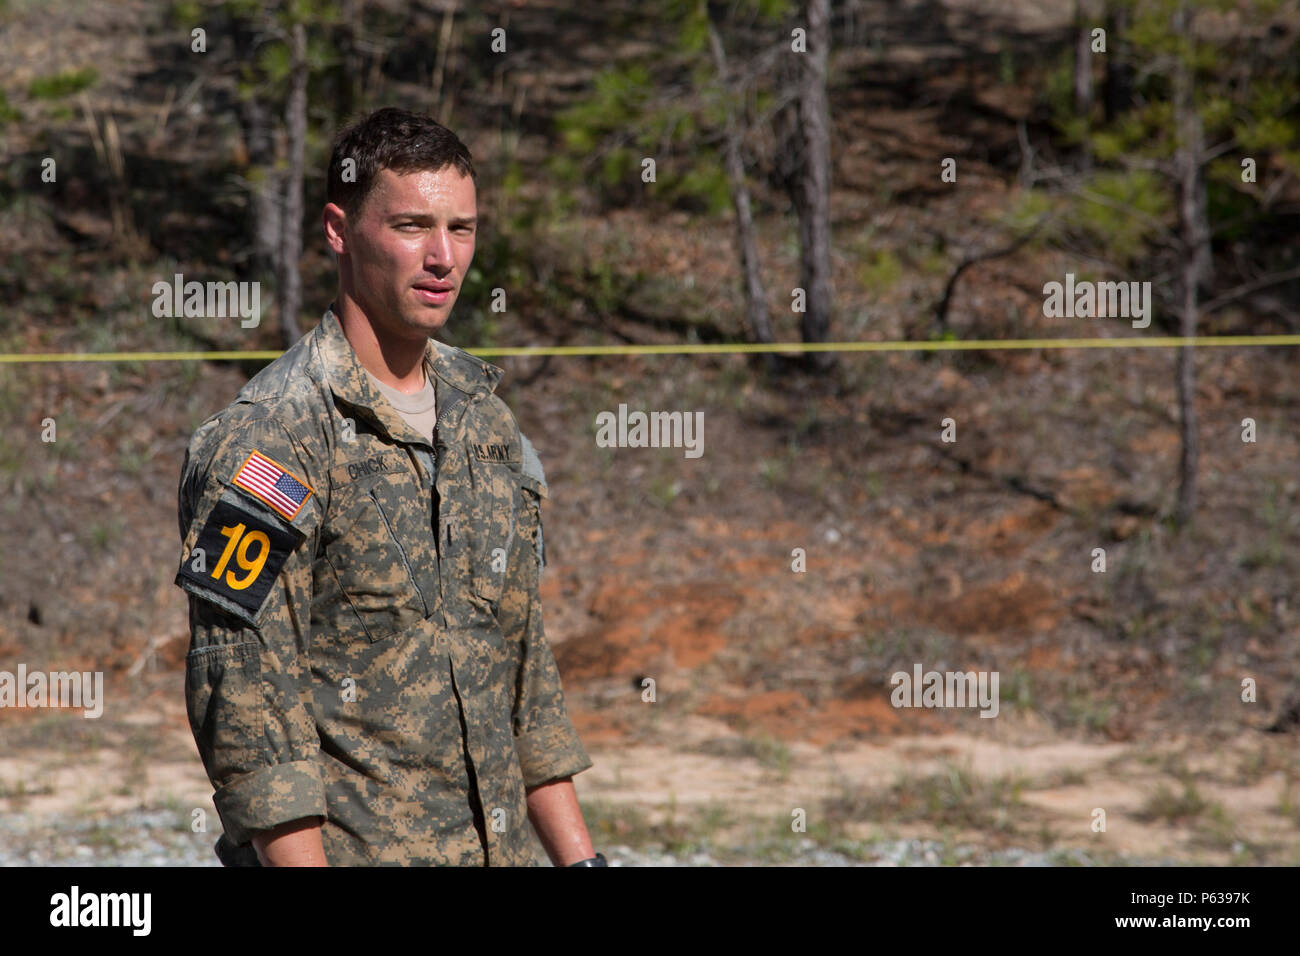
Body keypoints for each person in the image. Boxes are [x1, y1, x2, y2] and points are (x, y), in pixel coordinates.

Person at [174, 107, 605, 867]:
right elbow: (247, 712)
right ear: (340, 230)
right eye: (411, 226)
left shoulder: (485, 422)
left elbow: (524, 675)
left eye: (462, 229)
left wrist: (583, 861)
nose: (443, 257)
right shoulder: (270, 441)